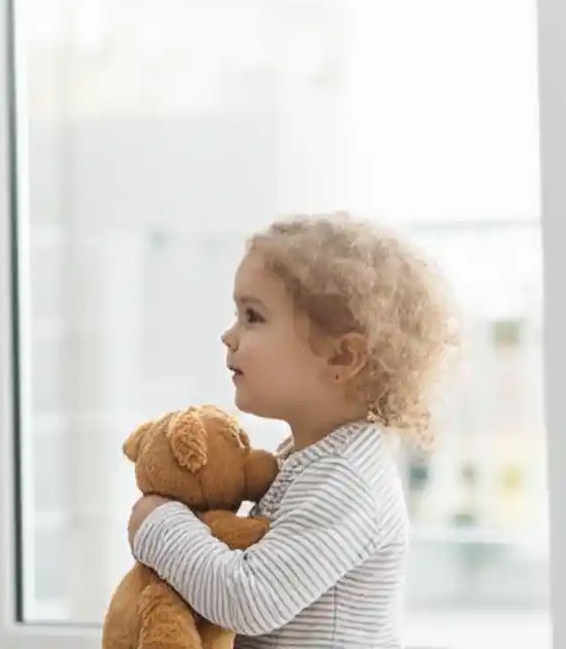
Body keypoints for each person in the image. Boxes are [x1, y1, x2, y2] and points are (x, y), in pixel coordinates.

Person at [127, 213, 457, 648]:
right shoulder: (310, 460)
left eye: (253, 316)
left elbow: (252, 599)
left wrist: (161, 524)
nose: (229, 335)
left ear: (342, 358)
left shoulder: (347, 478)